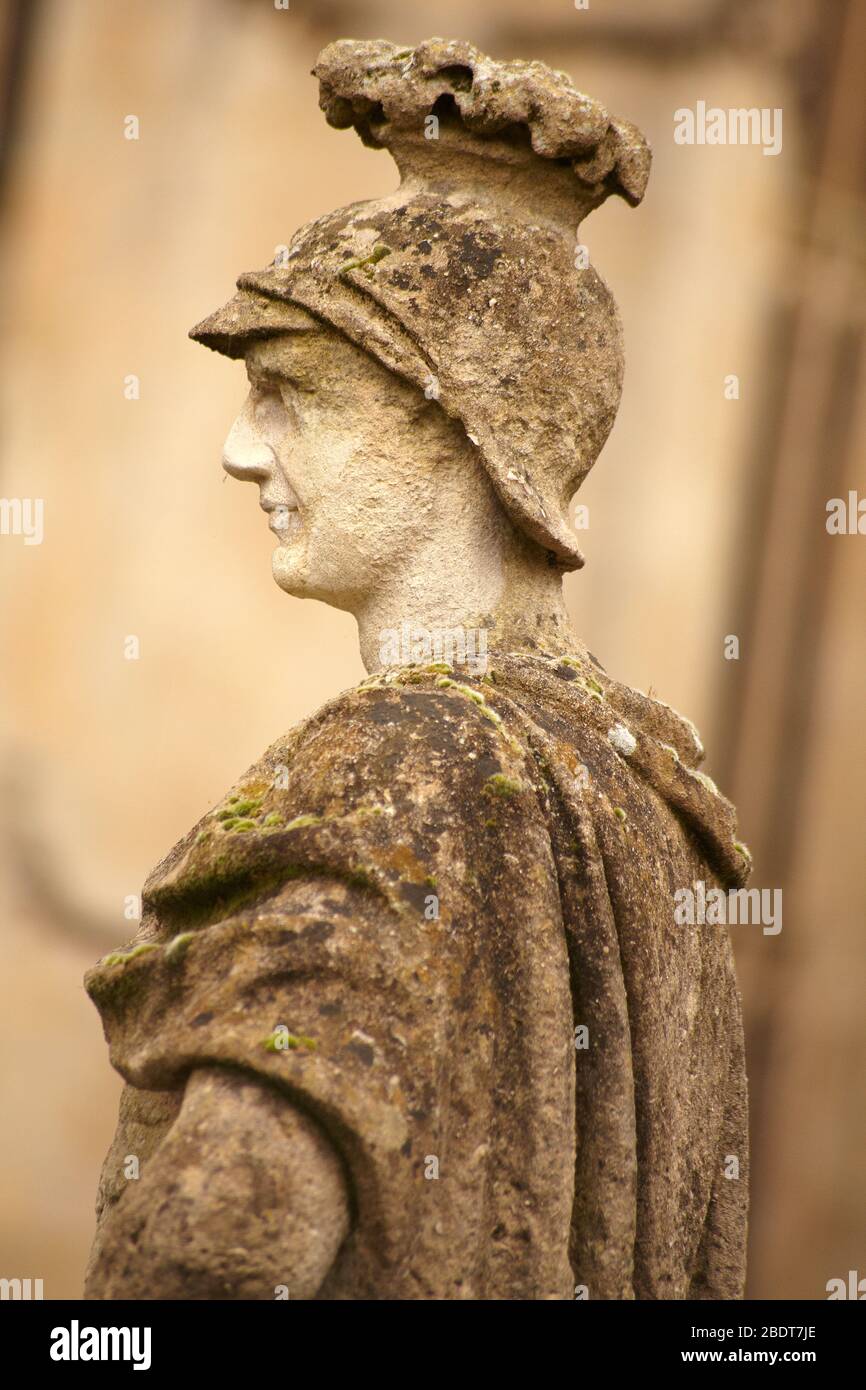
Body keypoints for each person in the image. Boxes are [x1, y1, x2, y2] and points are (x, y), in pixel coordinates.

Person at [84, 37, 750, 1301]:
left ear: (466, 431)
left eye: (289, 391)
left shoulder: (400, 762)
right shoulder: (652, 795)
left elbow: (220, 1239)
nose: (238, 447)